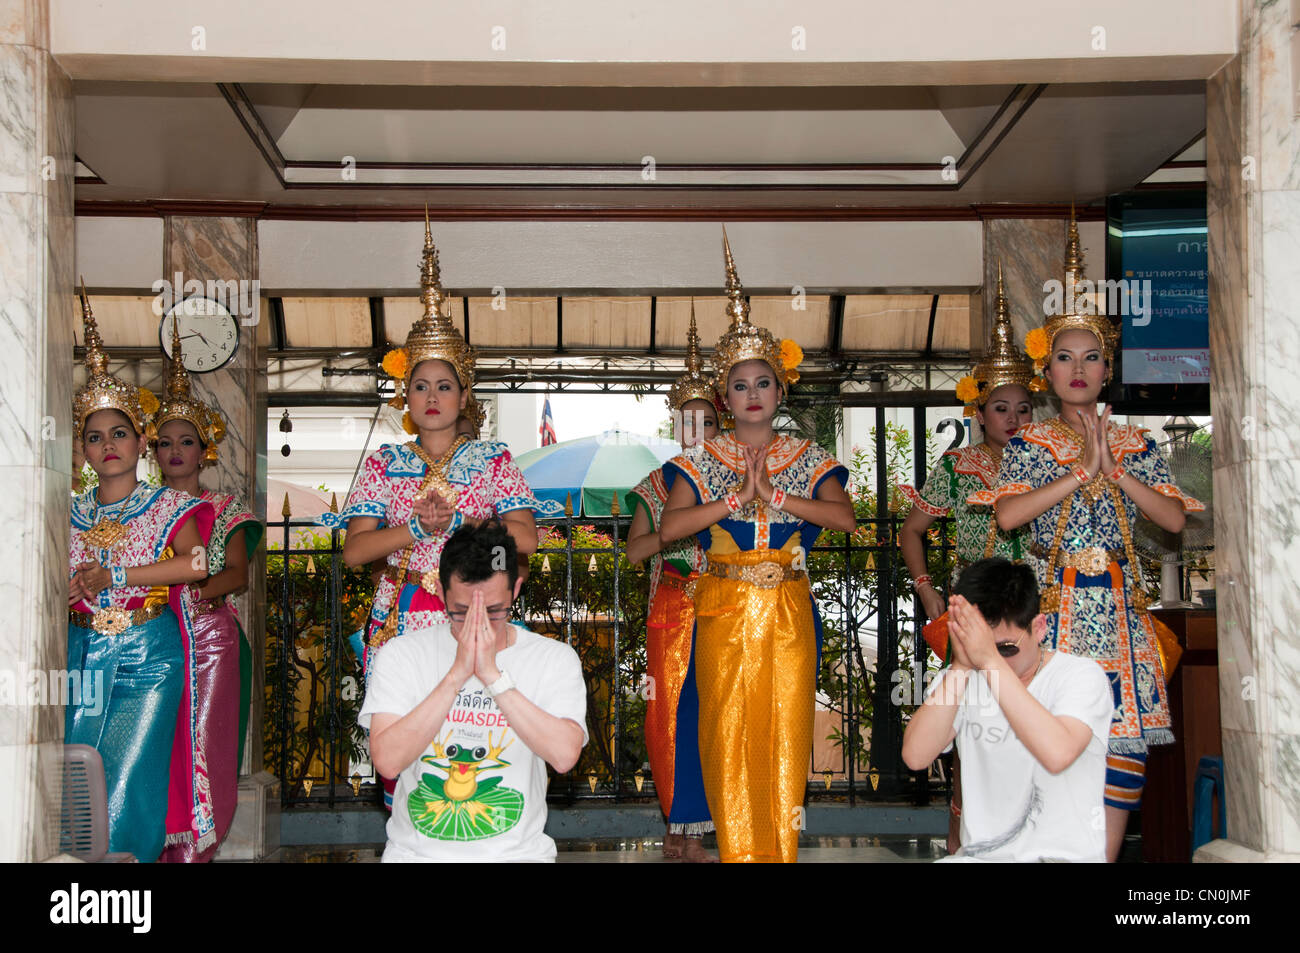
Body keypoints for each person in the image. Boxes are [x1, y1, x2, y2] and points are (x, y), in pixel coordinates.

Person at [973, 215, 1204, 862]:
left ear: (1109, 370)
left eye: (1092, 357)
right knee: (1053, 747)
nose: (1079, 369)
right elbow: (1010, 517)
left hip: (1122, 613)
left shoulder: (1134, 441)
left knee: (1122, 747)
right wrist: (1077, 473)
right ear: (1047, 371)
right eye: (1065, 358)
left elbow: (1174, 520)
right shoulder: (1033, 442)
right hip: (1057, 609)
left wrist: (1116, 470)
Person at [323, 215, 559, 807]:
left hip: (479, 609)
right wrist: (415, 528)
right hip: (404, 613)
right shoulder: (384, 462)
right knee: (408, 747)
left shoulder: (493, 457)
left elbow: (527, 540)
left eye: (444, 386)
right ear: (406, 396)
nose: (432, 397)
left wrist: (465, 526)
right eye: (421, 385)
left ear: (464, 394)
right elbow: (355, 552)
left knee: (479, 743)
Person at [660, 230, 855, 863]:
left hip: (790, 608)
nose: (752, 394)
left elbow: (846, 520)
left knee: (786, 732)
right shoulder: (699, 459)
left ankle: (779, 856)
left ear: (781, 390)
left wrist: (778, 496)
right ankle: (737, 852)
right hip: (723, 607)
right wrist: (733, 503)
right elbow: (668, 531)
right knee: (725, 733)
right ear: (726, 396)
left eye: (763, 383)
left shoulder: (811, 455)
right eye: (739, 385)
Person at [67, 286, 215, 861]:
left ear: (141, 443)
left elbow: (197, 565)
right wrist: (73, 586)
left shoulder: (168, 507)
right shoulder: (68, 514)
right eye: (95, 437)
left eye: (119, 433)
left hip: (149, 654)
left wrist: (116, 575)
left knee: (128, 774)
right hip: (79, 651)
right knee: (77, 766)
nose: (108, 445)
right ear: (81, 451)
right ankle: (73, 879)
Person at [898, 263, 1034, 853]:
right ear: (979, 414)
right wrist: (928, 591)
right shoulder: (957, 466)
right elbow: (911, 532)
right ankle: (964, 843)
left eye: (1024, 409)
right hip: (976, 608)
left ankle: (1029, 838)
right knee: (967, 727)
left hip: (1034, 608)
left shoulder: (1046, 466)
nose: (1014, 419)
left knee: (1028, 719)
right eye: (1001, 409)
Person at [359, 520, 587, 861]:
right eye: (462, 612)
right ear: (439, 592)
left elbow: (565, 756)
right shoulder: (403, 653)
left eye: (494, 611)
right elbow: (388, 762)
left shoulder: (552, 658)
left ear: (516, 590)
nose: (478, 623)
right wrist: (456, 675)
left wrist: (494, 676)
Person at [902, 558, 1113, 862]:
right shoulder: (963, 676)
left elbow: (1058, 753)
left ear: (1039, 628)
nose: (995, 656)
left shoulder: (1080, 676)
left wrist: (989, 660)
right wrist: (961, 666)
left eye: (1006, 648)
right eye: (981, 645)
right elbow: (916, 755)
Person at [151, 322, 263, 862]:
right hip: (151, 637)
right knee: (158, 747)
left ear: (205, 451)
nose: (176, 452)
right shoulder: (143, 510)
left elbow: (237, 573)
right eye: (166, 442)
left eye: (186, 442)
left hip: (210, 639)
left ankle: (198, 853)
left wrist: (195, 596)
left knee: (206, 747)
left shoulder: (227, 510)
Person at [625, 304, 718, 862]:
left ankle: (710, 823)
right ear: (674, 426)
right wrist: (670, 531)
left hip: (729, 609)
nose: (698, 431)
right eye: (687, 421)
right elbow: (635, 551)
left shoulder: (737, 476)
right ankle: (678, 823)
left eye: (706, 420)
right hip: (673, 609)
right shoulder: (655, 483)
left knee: (719, 711)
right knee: (668, 715)